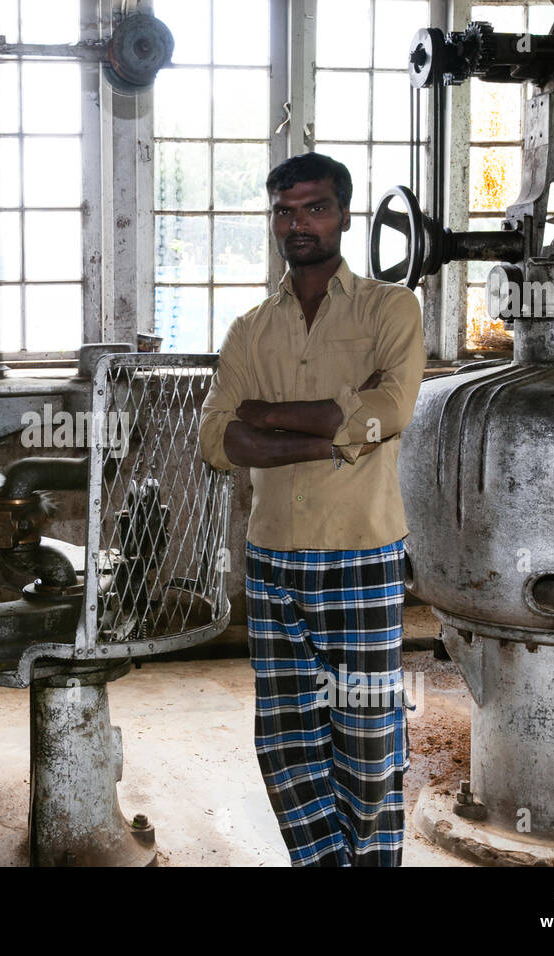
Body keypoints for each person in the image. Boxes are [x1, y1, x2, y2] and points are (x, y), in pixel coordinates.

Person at [198, 152, 425, 866]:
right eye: (285, 210)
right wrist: (329, 434)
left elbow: (387, 411)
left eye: (314, 207)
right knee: (287, 740)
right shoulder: (250, 329)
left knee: (364, 733)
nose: (298, 223)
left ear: (346, 216)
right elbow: (214, 439)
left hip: (361, 551)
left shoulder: (392, 307)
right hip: (272, 557)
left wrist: (267, 418)